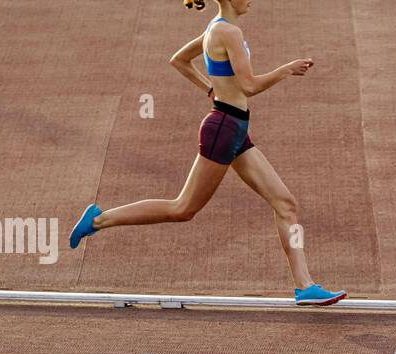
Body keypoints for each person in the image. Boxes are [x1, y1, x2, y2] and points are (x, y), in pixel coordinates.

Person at [70, 0, 346, 306]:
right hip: (224, 129)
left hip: (235, 129)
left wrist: (210, 89)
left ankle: (304, 286)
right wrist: (285, 70)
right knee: (183, 209)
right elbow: (249, 86)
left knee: (286, 203)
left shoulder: (215, 28)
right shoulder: (228, 32)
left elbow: (179, 60)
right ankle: (98, 220)